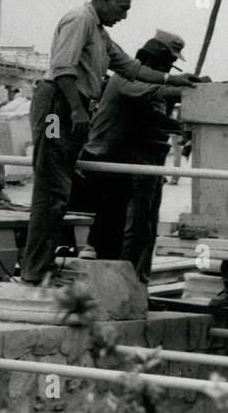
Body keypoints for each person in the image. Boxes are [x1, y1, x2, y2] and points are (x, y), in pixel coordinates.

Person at [19, 0, 202, 286]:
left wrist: (174, 79)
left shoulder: (99, 32)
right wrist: (77, 109)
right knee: (51, 191)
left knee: (59, 192)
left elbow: (130, 68)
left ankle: (42, 265)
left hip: (70, 107)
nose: (125, 14)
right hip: (57, 108)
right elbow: (62, 67)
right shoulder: (80, 20)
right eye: (122, 7)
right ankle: (36, 269)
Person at [79, 32, 192, 283]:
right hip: (107, 159)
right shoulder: (126, 79)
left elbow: (153, 115)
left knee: (139, 225)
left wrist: (181, 127)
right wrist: (188, 88)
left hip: (127, 159)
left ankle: (131, 279)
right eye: (165, 65)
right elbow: (159, 95)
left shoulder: (139, 84)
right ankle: (122, 278)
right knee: (128, 225)